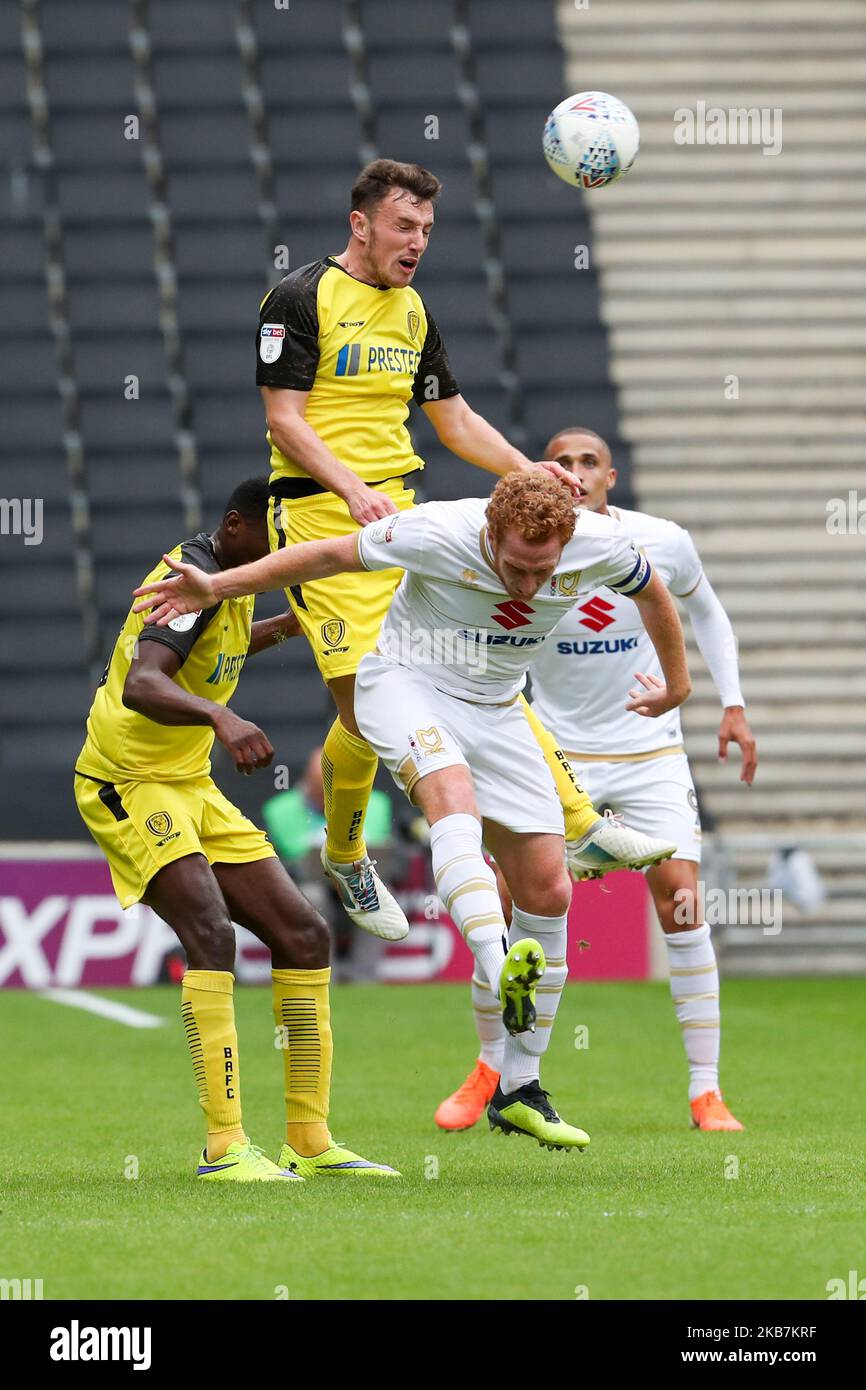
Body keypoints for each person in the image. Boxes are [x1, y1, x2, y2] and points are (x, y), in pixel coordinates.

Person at [132, 471, 692, 1152]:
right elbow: (328, 554)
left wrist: (678, 683)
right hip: (406, 683)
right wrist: (214, 586)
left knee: (549, 887)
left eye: (543, 572)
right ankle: (494, 956)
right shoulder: (440, 530)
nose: (527, 586)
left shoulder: (599, 543)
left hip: (498, 703)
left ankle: (520, 1088)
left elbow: (653, 592)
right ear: (491, 534)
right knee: (449, 793)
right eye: (515, 566)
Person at [255, 157, 673, 940]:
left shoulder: (413, 312)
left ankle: (579, 819)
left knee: (478, 669)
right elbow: (285, 420)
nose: (417, 242)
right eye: (404, 226)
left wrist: (533, 474)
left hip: (397, 512)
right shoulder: (300, 298)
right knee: (362, 701)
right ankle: (345, 854)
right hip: (319, 513)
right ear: (362, 224)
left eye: (427, 230)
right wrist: (349, 487)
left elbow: (453, 421)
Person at [74, 478, 398, 1182]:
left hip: (190, 783)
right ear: (233, 525)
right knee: (211, 933)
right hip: (128, 780)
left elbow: (215, 646)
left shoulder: (232, 581)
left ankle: (309, 1140)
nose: (281, 550)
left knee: (305, 936)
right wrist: (224, 718)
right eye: (273, 536)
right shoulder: (186, 575)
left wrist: (287, 626)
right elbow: (143, 681)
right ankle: (224, 1147)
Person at [436, 428, 756, 1134]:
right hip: (556, 753)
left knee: (681, 904)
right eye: (564, 461)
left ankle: (706, 1089)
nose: (577, 471)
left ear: (611, 475)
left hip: (648, 753)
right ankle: (495, 1069)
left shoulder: (659, 541)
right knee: (518, 902)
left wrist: (729, 703)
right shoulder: (523, 548)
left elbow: (706, 610)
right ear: (548, 476)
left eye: (589, 462)